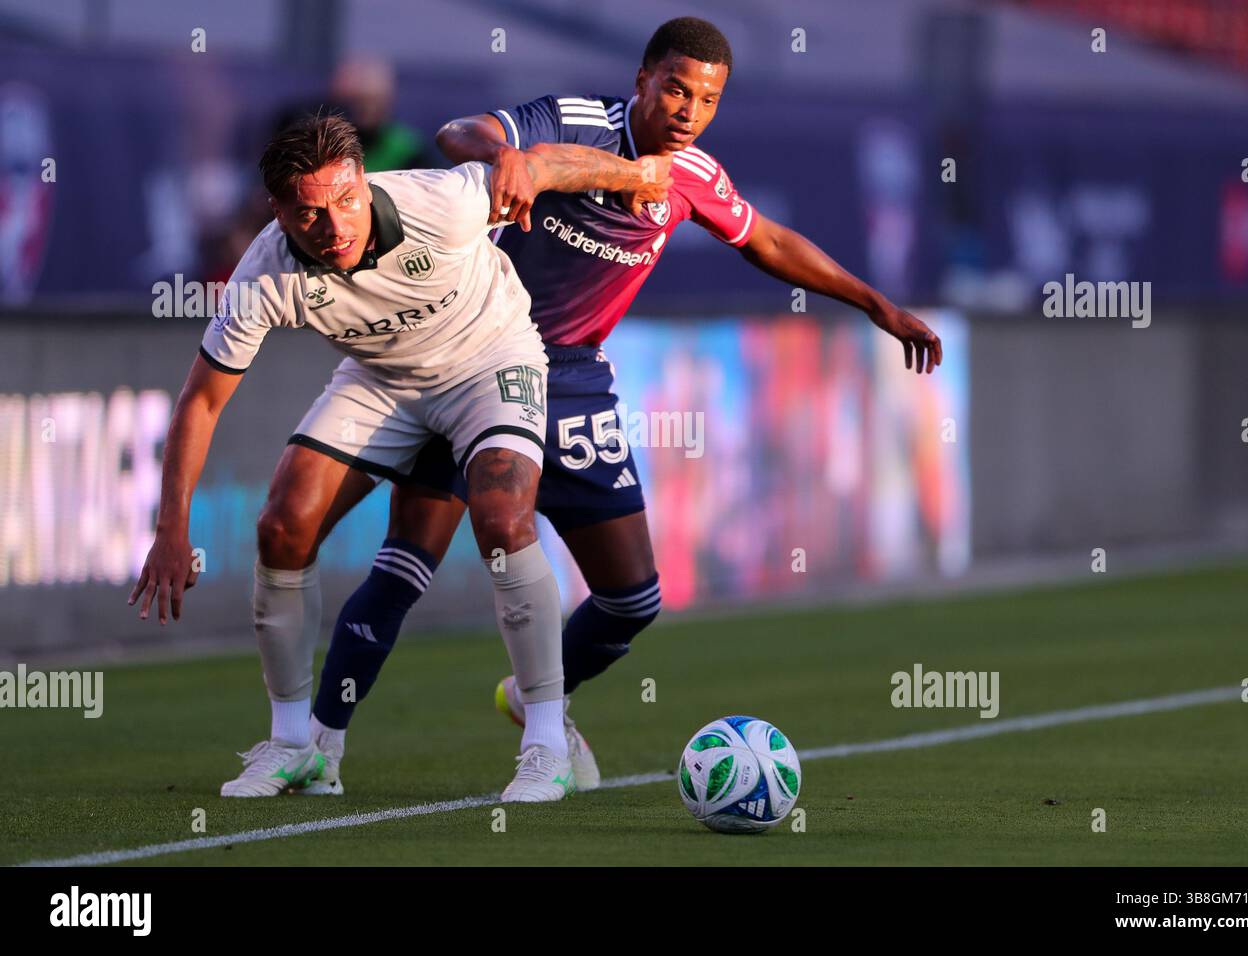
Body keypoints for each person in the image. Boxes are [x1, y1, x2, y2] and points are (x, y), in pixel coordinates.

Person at [309, 17, 942, 795]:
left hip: (570, 379)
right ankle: (316, 747)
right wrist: (510, 160)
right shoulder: (576, 124)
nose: (687, 110)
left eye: (707, 99)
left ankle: (538, 696)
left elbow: (770, 241)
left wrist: (876, 303)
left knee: (632, 597)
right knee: (407, 564)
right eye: (676, 88)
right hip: (467, 357)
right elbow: (455, 132)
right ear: (642, 80)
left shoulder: (693, 178)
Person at [128, 111, 671, 802]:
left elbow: (542, 168)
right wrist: (171, 530)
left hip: (489, 362)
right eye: (309, 213)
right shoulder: (265, 272)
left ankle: (544, 744)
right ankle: (298, 746)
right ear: (279, 213)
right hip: (384, 380)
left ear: (364, 181)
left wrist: (636, 175)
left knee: (503, 522)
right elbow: (200, 401)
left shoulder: (439, 203)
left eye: (347, 199)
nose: (334, 226)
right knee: (282, 525)